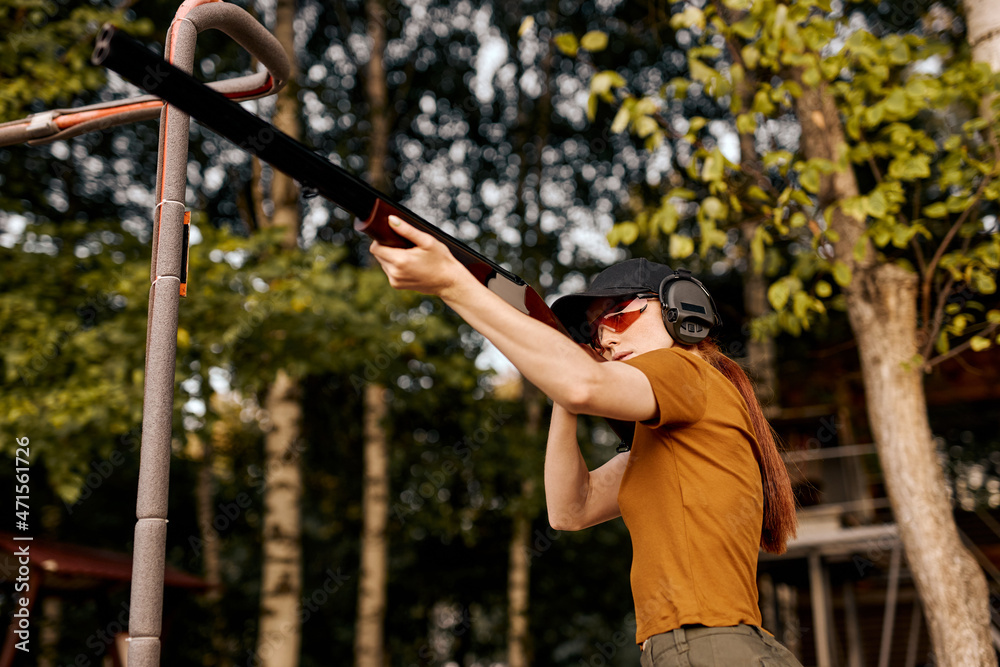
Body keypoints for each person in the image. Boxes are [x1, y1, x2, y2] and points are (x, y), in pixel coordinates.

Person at [370, 215, 802, 667]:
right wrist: (567, 391)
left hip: (707, 644)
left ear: (682, 309)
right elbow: (568, 510)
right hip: (704, 646)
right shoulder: (668, 435)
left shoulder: (684, 368)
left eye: (620, 315)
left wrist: (452, 285)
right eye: (597, 332)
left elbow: (584, 385)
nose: (607, 338)